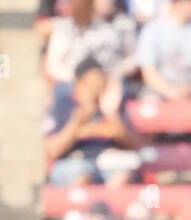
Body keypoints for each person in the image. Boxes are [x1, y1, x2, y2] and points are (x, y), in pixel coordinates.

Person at [43, 57, 140, 186]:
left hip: (108, 160)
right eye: (90, 84)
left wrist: (112, 114)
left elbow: (134, 145)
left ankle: (109, 205)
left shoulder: (111, 102)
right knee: (81, 176)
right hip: (74, 160)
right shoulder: (63, 104)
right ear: (79, 84)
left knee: (122, 177)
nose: (96, 89)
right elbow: (52, 151)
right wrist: (77, 122)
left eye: (100, 83)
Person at [135, 0, 191, 99]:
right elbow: (148, 72)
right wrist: (172, 92)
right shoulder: (153, 29)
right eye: (186, 3)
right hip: (159, 91)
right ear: (175, 4)